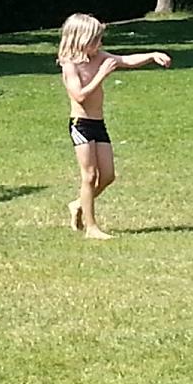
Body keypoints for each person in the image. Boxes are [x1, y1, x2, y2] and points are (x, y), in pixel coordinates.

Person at [57, 13, 171, 239]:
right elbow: (79, 96)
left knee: (108, 175)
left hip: (98, 124)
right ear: (81, 40)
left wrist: (152, 55)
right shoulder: (70, 66)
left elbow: (126, 60)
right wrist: (101, 75)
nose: (100, 44)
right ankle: (91, 228)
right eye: (96, 40)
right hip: (81, 125)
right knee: (89, 176)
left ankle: (79, 204)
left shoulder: (98, 56)